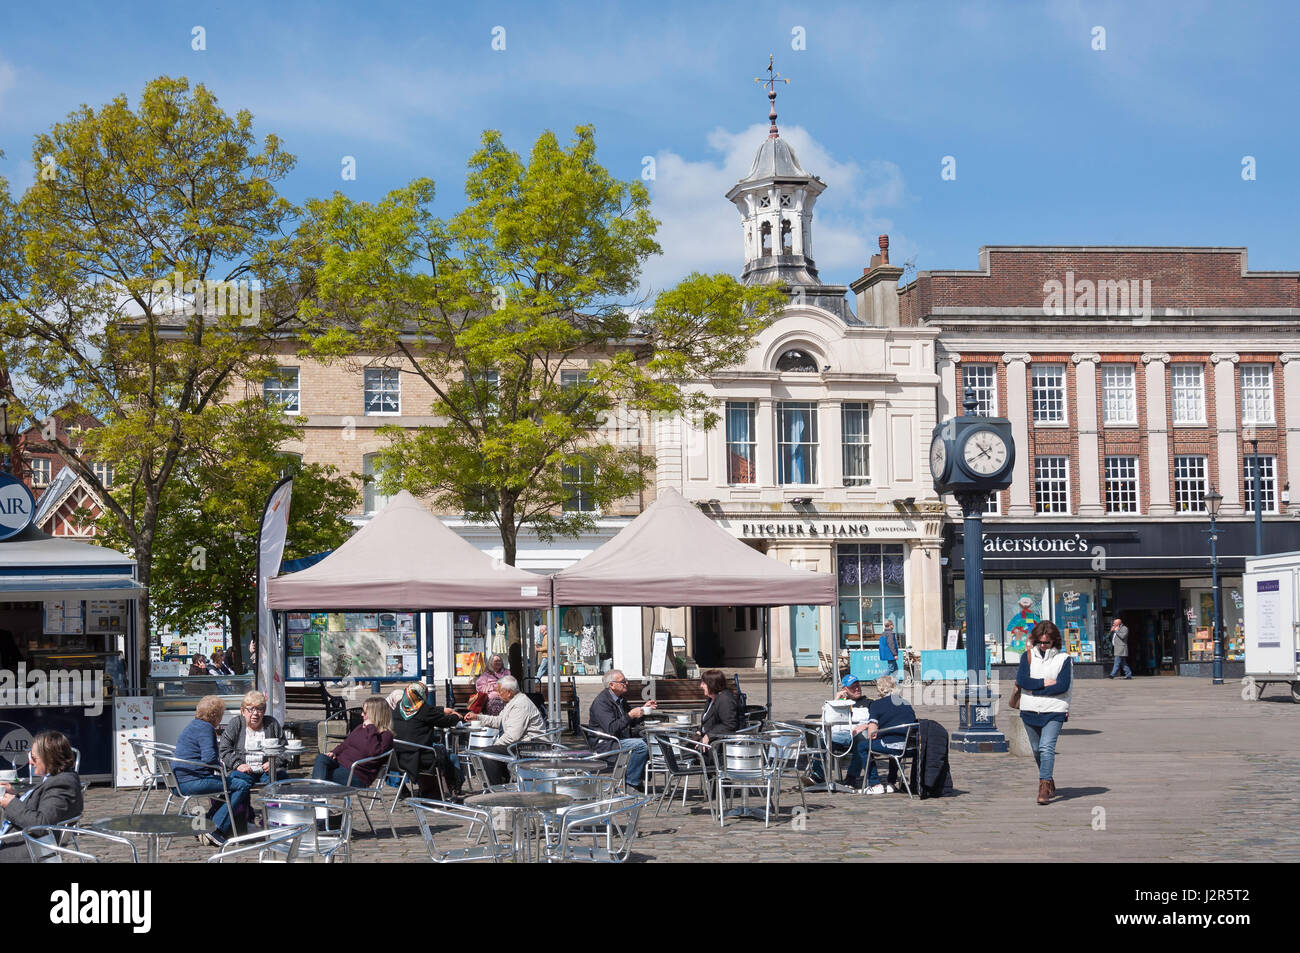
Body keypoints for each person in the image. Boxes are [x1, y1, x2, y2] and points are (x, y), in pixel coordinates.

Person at [173, 695, 249, 846]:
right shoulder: (206, 728)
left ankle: (208, 821)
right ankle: (215, 828)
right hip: (192, 781)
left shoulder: (193, 725)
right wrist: (221, 765)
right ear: (215, 715)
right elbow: (209, 758)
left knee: (230, 785)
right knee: (242, 785)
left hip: (178, 780)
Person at [0, 730, 83, 863]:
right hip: (24, 841)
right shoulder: (59, 779)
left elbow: (41, 824)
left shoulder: (62, 784)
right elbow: (40, 809)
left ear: (50, 758)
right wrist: (15, 796)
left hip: (25, 849)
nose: (30, 762)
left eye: (34, 757)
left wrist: (10, 804)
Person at [1016, 619, 1073, 805]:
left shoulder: (1063, 659)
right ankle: (1048, 779)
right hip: (1030, 709)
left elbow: (1063, 686)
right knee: (1036, 749)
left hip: (1055, 710)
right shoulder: (1028, 657)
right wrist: (1043, 683)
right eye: (1039, 642)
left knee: (1046, 747)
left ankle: (1044, 786)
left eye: (1046, 642)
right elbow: (1022, 680)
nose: (1042, 645)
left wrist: (1034, 688)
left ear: (1054, 641)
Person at [465, 675, 548, 786]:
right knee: (491, 751)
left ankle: (496, 787)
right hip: (522, 744)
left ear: (509, 692)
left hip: (532, 745)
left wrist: (494, 746)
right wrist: (478, 717)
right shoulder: (513, 701)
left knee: (488, 753)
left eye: (500, 691)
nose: (498, 694)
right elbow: (499, 720)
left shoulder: (520, 704)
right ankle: (503, 783)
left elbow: (512, 736)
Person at [389, 682, 463, 797]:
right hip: (419, 757)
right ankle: (451, 789)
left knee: (443, 753)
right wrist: (456, 717)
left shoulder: (399, 707)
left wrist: (442, 710)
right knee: (448, 756)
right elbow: (444, 722)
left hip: (398, 757)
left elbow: (428, 712)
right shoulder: (423, 710)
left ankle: (445, 789)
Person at [588, 669, 655, 790]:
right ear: (611, 685)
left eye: (626, 680)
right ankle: (630, 784)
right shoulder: (601, 703)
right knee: (641, 746)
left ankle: (637, 780)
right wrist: (630, 715)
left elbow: (629, 722)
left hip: (619, 739)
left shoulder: (620, 699)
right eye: (622, 681)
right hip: (606, 743)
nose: (626, 683)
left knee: (650, 741)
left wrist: (643, 710)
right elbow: (612, 728)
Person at [312, 696, 394, 787]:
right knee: (321, 759)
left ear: (375, 715)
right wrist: (334, 752)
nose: (362, 714)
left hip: (358, 774)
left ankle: (316, 797)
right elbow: (345, 744)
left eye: (365, 712)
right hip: (340, 764)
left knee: (320, 777)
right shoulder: (360, 728)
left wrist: (371, 727)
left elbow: (372, 752)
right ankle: (317, 796)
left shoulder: (385, 735)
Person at [807, 674, 872, 787]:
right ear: (845, 690)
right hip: (839, 736)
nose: (857, 689)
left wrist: (866, 725)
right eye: (853, 687)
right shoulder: (838, 703)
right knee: (820, 740)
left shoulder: (869, 703)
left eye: (858, 686)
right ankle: (818, 775)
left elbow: (877, 720)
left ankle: (851, 777)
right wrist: (836, 701)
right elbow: (824, 721)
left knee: (862, 739)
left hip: (857, 736)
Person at [219, 690, 288, 790]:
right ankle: (243, 806)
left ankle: (272, 805)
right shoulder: (236, 724)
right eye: (250, 709)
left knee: (280, 778)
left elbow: (284, 748)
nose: (255, 713)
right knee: (238, 781)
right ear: (243, 711)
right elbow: (224, 749)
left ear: (264, 711)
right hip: (244, 771)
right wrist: (238, 764)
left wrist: (274, 763)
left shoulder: (272, 724)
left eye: (259, 709)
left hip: (267, 772)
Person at [861, 675, 918, 794]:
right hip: (909, 747)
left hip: (892, 746)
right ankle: (892, 782)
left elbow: (872, 735)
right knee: (893, 741)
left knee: (863, 746)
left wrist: (868, 728)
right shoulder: (906, 703)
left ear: (879, 689)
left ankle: (875, 783)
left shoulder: (876, 705)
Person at [697, 669, 740, 749]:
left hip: (718, 745)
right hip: (707, 740)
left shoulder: (725, 699)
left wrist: (709, 736)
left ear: (711, 684)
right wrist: (699, 730)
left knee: (678, 753)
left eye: (703, 683)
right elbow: (708, 721)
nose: (701, 686)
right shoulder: (711, 698)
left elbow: (729, 724)